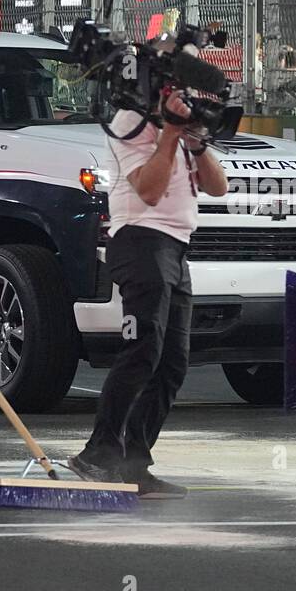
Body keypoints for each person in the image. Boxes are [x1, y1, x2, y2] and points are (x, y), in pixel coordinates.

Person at [68, 90, 228, 497]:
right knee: (144, 350)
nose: (182, 98)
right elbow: (149, 191)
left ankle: (134, 463)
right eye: (174, 89)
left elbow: (218, 186)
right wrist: (170, 135)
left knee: (173, 362)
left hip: (175, 247)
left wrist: (196, 142)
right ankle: (98, 453)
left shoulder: (179, 131)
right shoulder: (130, 122)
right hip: (140, 241)